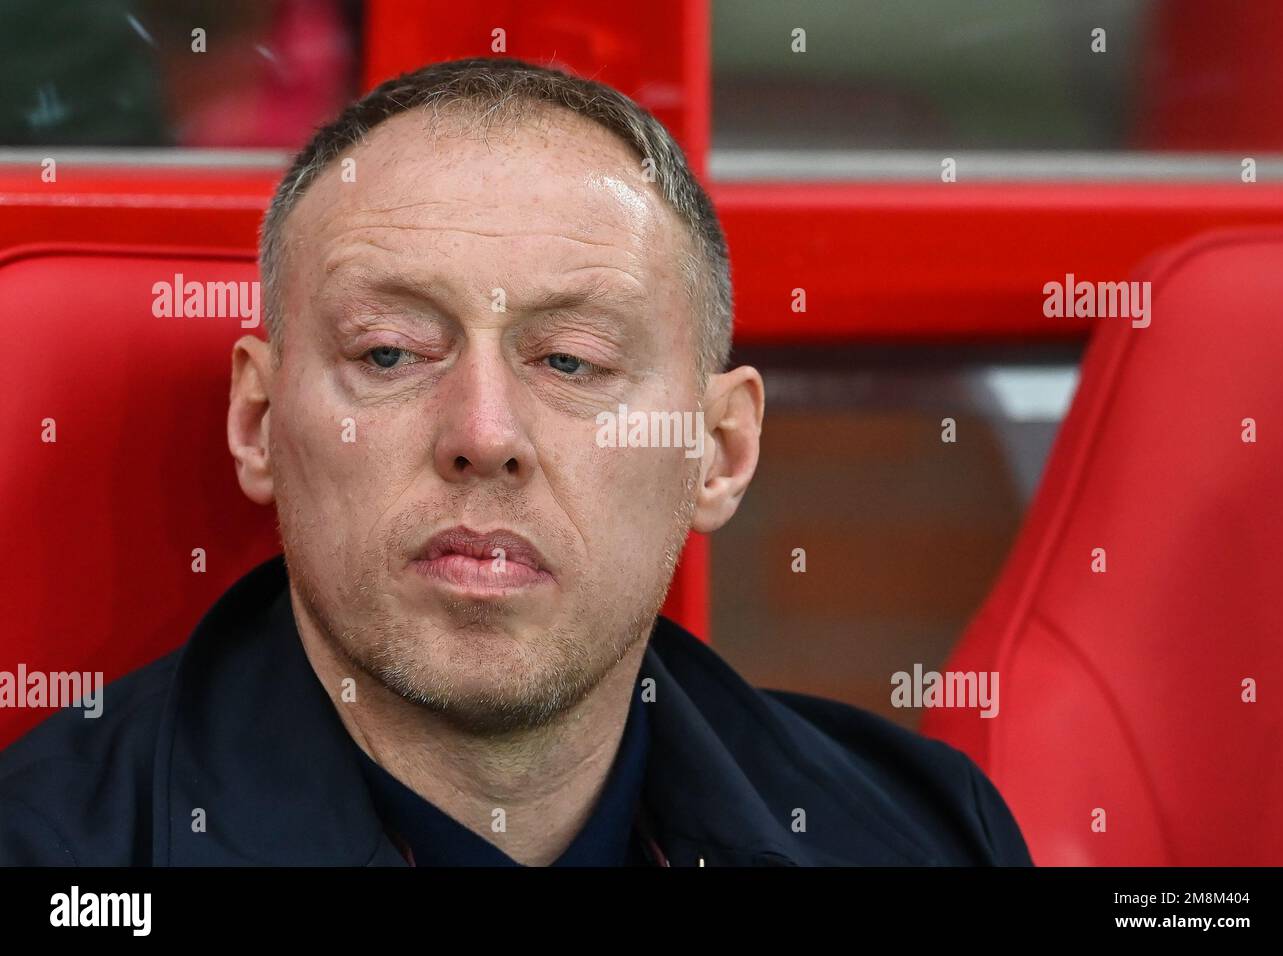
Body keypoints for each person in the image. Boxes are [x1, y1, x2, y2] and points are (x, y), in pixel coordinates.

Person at [0, 57, 1032, 867]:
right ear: (259, 420)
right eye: (391, 353)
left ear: (718, 451)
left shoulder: (929, 833)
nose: (483, 433)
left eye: (571, 360)